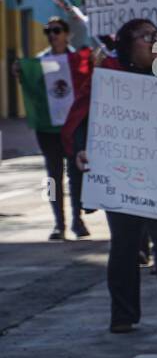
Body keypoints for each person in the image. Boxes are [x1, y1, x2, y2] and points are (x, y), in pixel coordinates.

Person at [69, 18, 157, 334]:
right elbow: (80, 118)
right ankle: (123, 314)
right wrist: (80, 149)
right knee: (125, 245)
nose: (155, 41)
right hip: (120, 175)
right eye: (146, 36)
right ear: (127, 44)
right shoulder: (109, 75)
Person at [36, 17, 90, 240]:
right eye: (47, 31)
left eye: (56, 31)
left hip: (73, 126)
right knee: (52, 177)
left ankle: (77, 219)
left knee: (76, 174)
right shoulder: (38, 62)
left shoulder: (79, 60)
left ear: (67, 34)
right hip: (48, 129)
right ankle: (58, 222)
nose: (52, 35)